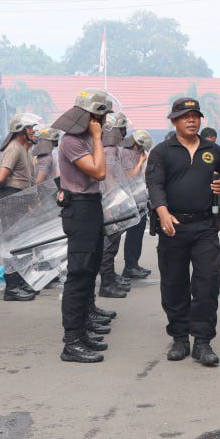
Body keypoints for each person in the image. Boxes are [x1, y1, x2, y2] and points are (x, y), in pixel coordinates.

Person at [147, 98, 220, 367]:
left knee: (207, 283)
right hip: (173, 227)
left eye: (195, 115)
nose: (191, 120)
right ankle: (180, 338)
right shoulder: (162, 152)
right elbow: (155, 184)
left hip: (205, 226)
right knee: (174, 283)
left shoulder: (214, 150)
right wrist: (162, 212)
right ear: (174, 120)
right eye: (185, 116)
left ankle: (203, 341)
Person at [50, 90, 114, 364]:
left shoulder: (85, 139)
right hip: (80, 208)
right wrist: (98, 138)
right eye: (101, 116)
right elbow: (99, 171)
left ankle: (83, 327)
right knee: (79, 273)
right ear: (91, 116)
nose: (103, 121)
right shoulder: (72, 142)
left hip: (91, 205)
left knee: (89, 270)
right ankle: (72, 340)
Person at [0, 112, 40, 302]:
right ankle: (12, 287)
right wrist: (14, 195)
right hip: (12, 197)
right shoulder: (14, 148)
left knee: (22, 244)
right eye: (29, 128)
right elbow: (1, 178)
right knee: (12, 244)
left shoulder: (24, 149)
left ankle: (20, 281)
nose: (32, 131)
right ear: (19, 131)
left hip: (21, 199)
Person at [98, 112, 130, 299]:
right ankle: (107, 284)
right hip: (109, 202)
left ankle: (110, 277)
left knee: (113, 242)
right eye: (122, 129)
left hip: (111, 201)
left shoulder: (112, 148)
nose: (124, 132)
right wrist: (113, 202)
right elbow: (109, 177)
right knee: (109, 244)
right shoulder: (109, 149)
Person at [119, 128, 152, 281]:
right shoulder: (126, 153)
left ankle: (134, 264)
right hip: (130, 201)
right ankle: (129, 266)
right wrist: (141, 162)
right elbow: (129, 175)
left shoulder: (135, 153)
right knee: (133, 234)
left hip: (139, 200)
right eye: (140, 148)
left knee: (137, 234)